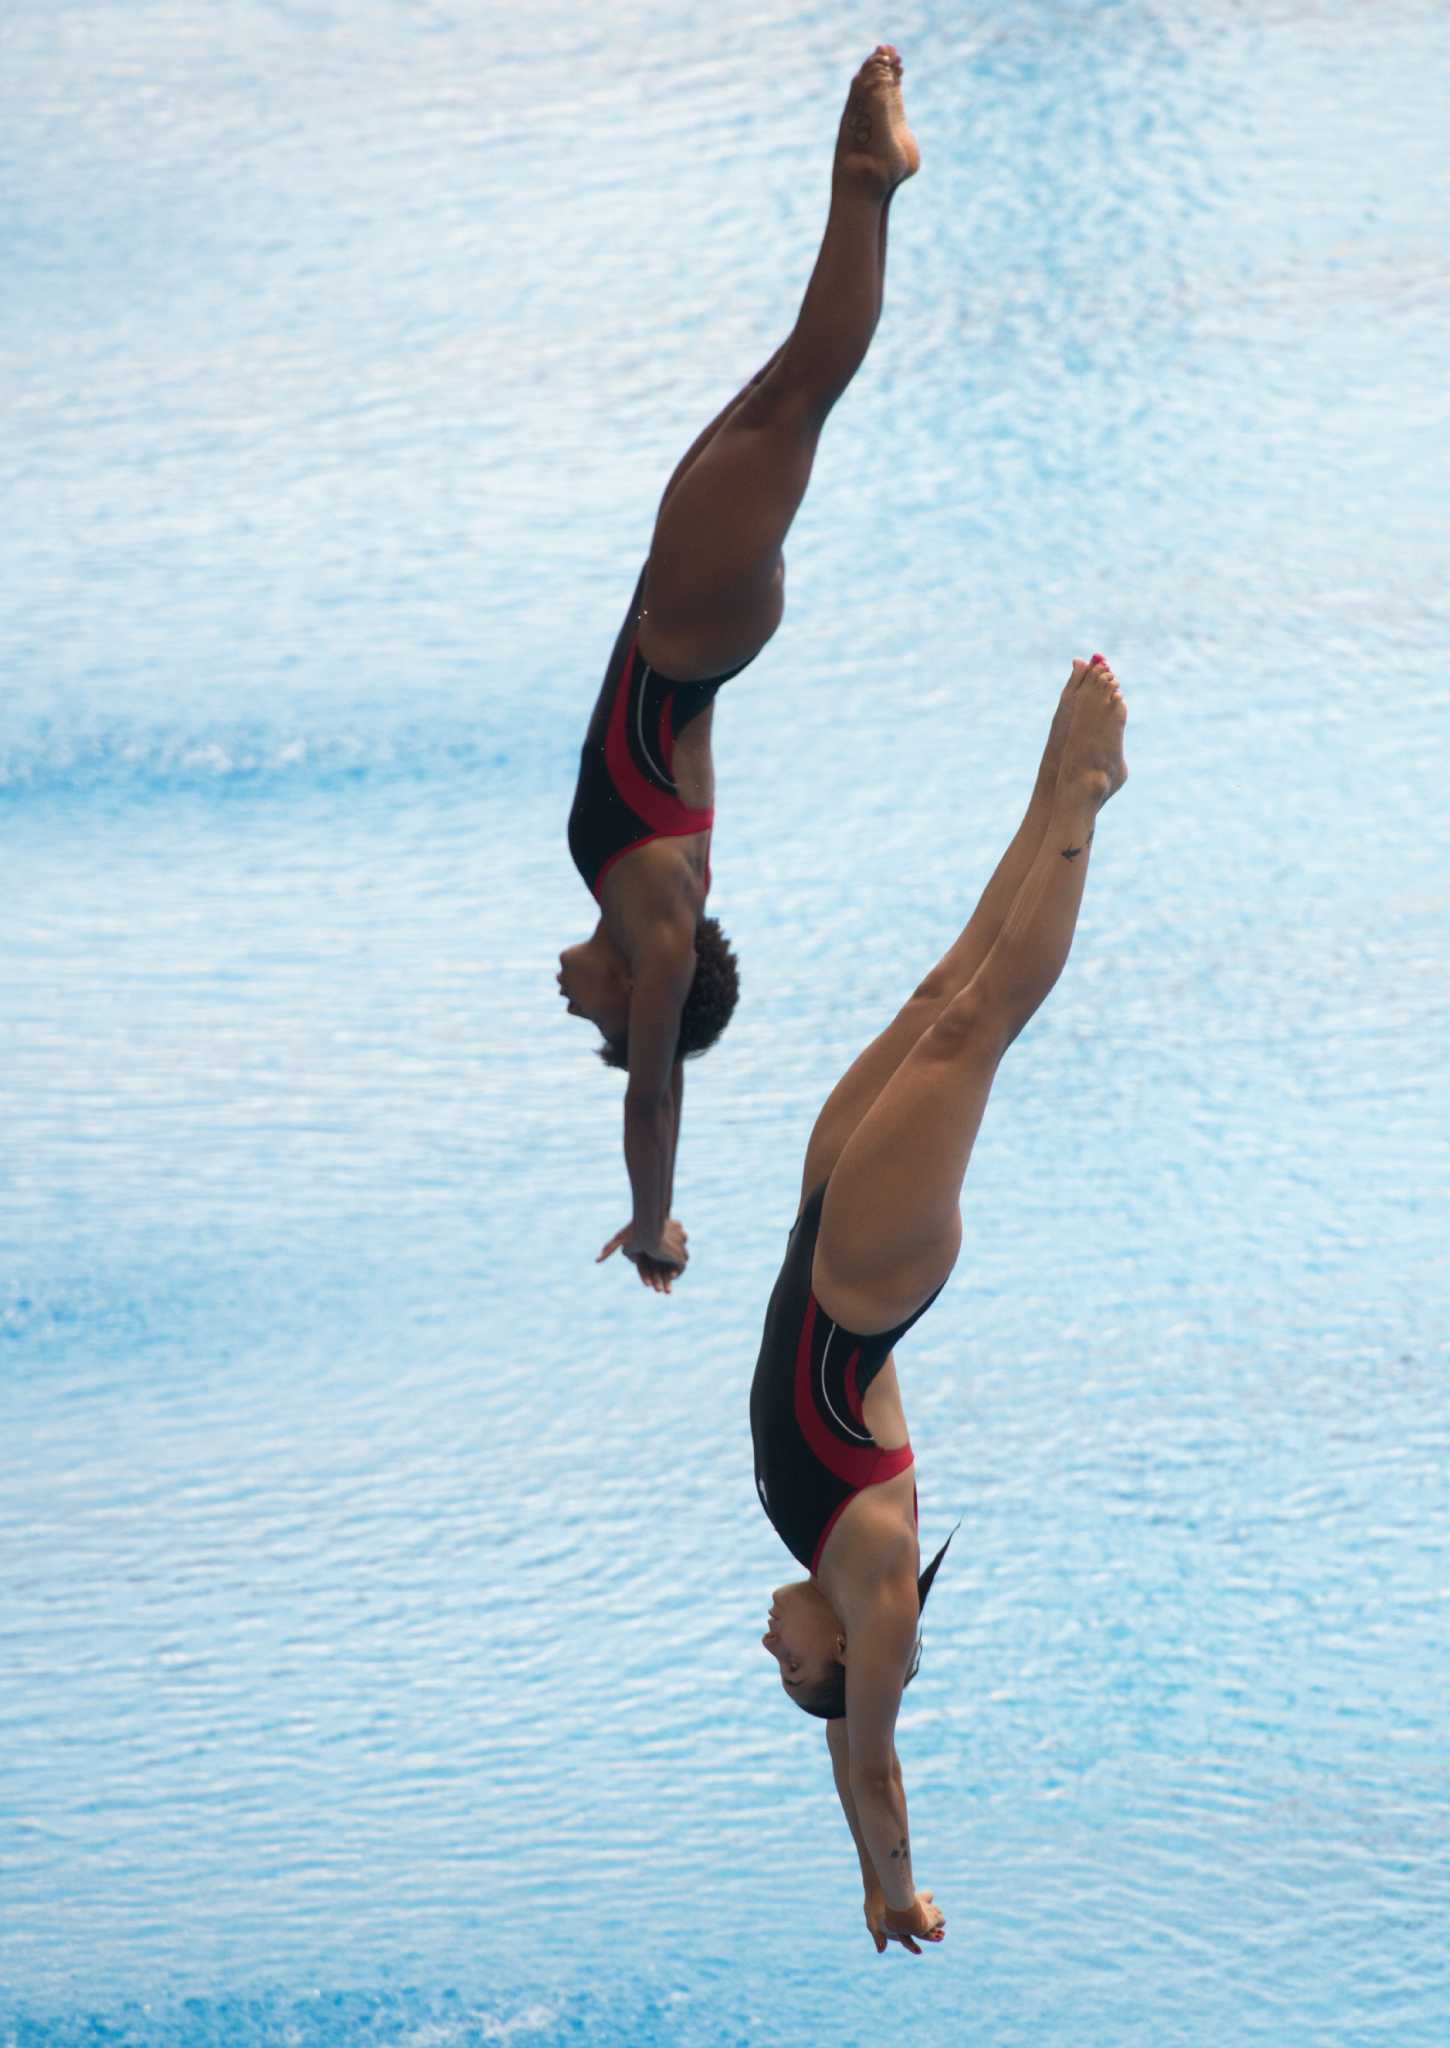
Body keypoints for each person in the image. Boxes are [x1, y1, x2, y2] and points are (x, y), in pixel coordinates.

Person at [751, 657, 1129, 1954]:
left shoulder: (824, 1555)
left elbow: (848, 1743)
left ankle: (1054, 788)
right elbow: (869, 1769)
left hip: (819, 1229)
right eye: (792, 1673)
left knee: (939, 995)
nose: (771, 1653)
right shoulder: (880, 1599)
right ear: (842, 1663)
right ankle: (1080, 798)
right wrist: (887, 1890)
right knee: (979, 1026)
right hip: (865, 1277)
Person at [561, 47, 920, 1294]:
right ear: (638, 1002)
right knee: (800, 393)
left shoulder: (637, 899)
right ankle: (869, 178)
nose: (579, 1016)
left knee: (785, 390)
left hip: (691, 610)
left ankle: (867, 177)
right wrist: (650, 1217)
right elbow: (655, 1093)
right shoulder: (656, 929)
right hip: (696, 622)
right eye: (599, 1031)